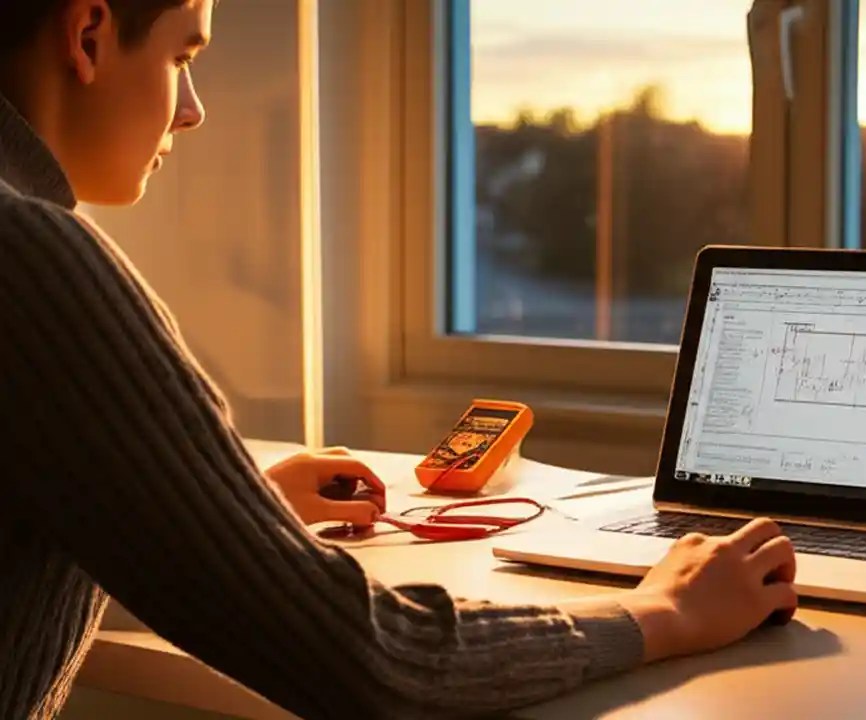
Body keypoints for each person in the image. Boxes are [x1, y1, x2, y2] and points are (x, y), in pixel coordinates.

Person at [0, 1, 799, 718]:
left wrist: (210, 512)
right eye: (184, 58)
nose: (194, 111)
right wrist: (662, 614)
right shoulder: (36, 262)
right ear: (89, 34)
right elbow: (370, 660)